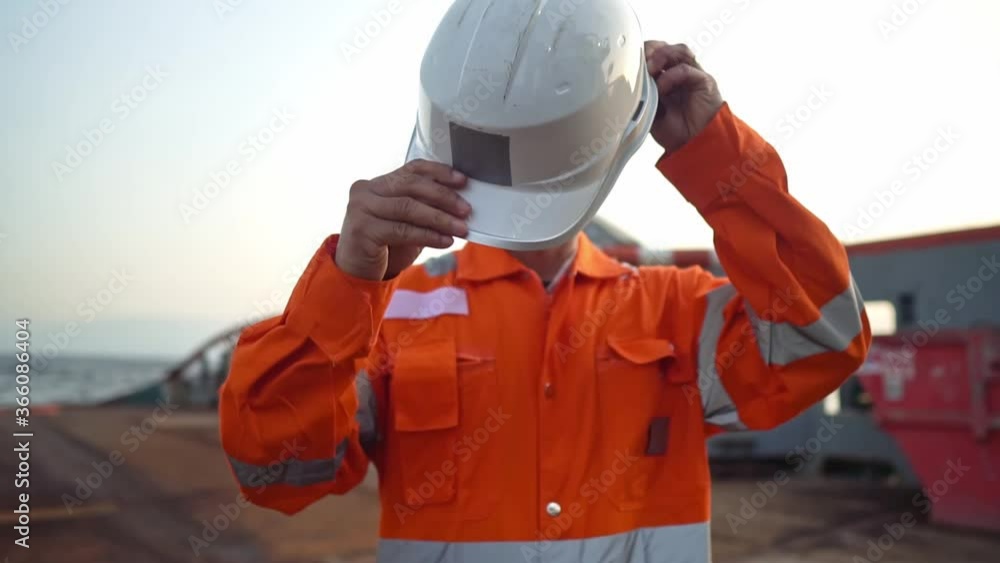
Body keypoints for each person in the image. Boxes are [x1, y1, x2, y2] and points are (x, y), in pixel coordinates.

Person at [219, 1, 871, 561]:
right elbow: (276, 471)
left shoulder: (675, 308)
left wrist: (721, 158)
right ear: (616, 138)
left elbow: (822, 340)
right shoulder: (386, 316)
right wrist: (347, 284)